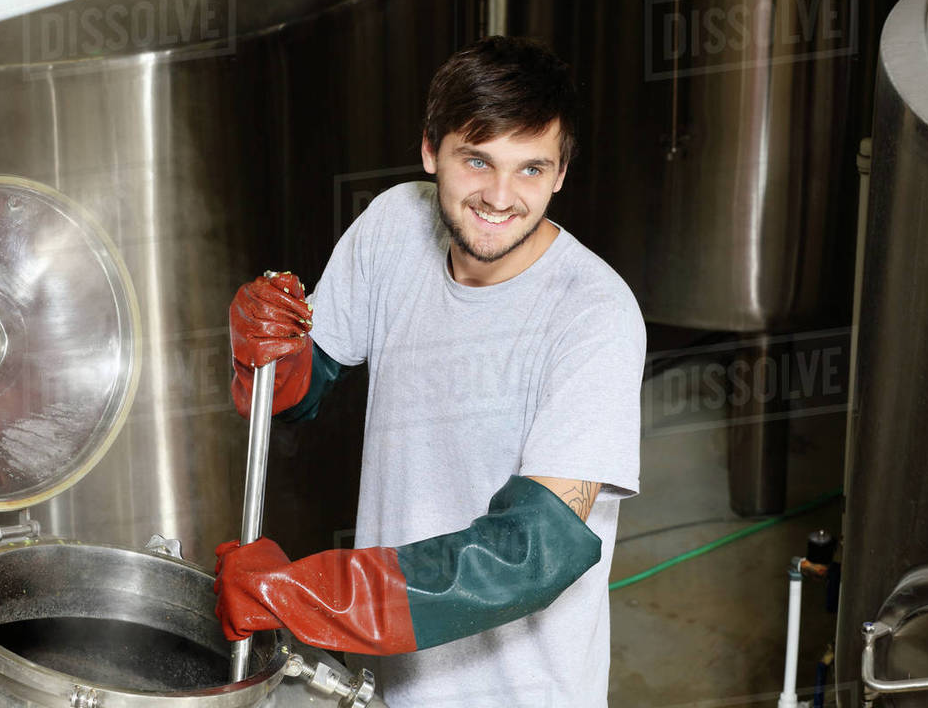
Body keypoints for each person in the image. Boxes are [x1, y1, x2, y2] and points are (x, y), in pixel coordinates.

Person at [216, 35, 646, 707]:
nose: (501, 197)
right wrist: (267, 351)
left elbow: (530, 554)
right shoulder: (395, 225)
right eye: (476, 161)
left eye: (531, 169)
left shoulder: (594, 317)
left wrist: (308, 594)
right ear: (430, 151)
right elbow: (301, 389)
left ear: (561, 171)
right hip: (392, 682)